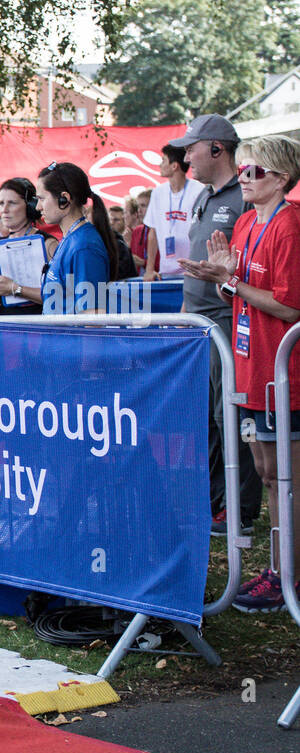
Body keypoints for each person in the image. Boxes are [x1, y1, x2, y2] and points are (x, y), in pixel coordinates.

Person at [182, 135, 300, 612]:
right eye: (244, 170)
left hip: (283, 370)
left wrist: (229, 281)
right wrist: (227, 280)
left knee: (287, 477)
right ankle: (277, 569)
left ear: (281, 179)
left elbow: (290, 307)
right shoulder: (248, 222)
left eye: (255, 172)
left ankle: (287, 572)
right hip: (252, 366)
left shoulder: (290, 227)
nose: (244, 179)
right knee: (266, 472)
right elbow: (245, 291)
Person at [172, 114, 261, 538]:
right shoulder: (204, 196)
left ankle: (239, 507)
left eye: (191, 147)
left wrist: (224, 279)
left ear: (217, 148)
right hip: (198, 317)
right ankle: (215, 501)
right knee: (207, 416)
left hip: (226, 318)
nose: (185, 154)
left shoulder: (245, 194)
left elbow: (252, 263)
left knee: (231, 413)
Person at [0, 162, 116, 315]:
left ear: (64, 199)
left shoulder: (84, 247)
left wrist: (16, 289)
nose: (37, 207)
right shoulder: (71, 240)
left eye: (42, 199)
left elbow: (93, 319)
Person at [0, 178, 58, 314]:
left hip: (31, 330)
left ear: (30, 206)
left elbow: (58, 296)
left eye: (12, 203)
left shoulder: (48, 244)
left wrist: (15, 288)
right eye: (2, 203)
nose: (4, 210)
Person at [144, 145, 202, 281]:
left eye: (163, 160)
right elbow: (153, 231)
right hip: (166, 272)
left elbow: (202, 231)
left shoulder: (198, 190)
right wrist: (149, 269)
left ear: (174, 166)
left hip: (192, 271)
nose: (160, 165)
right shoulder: (158, 192)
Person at [130, 189, 155, 276]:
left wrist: (143, 263)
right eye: (138, 206)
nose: (139, 211)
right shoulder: (137, 231)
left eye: (143, 206)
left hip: (159, 280)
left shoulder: (163, 230)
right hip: (139, 282)